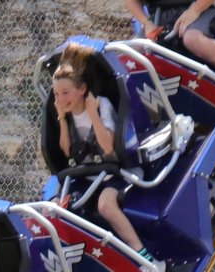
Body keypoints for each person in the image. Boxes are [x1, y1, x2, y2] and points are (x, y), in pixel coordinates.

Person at [47, 46, 145, 251]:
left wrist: (93, 113)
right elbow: (67, 152)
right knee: (54, 208)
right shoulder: (65, 115)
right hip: (86, 175)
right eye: (57, 94)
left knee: (105, 205)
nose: (61, 98)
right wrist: (63, 120)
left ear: (82, 90)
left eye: (65, 92)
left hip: (116, 171)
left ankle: (141, 252)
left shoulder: (102, 105)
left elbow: (108, 147)